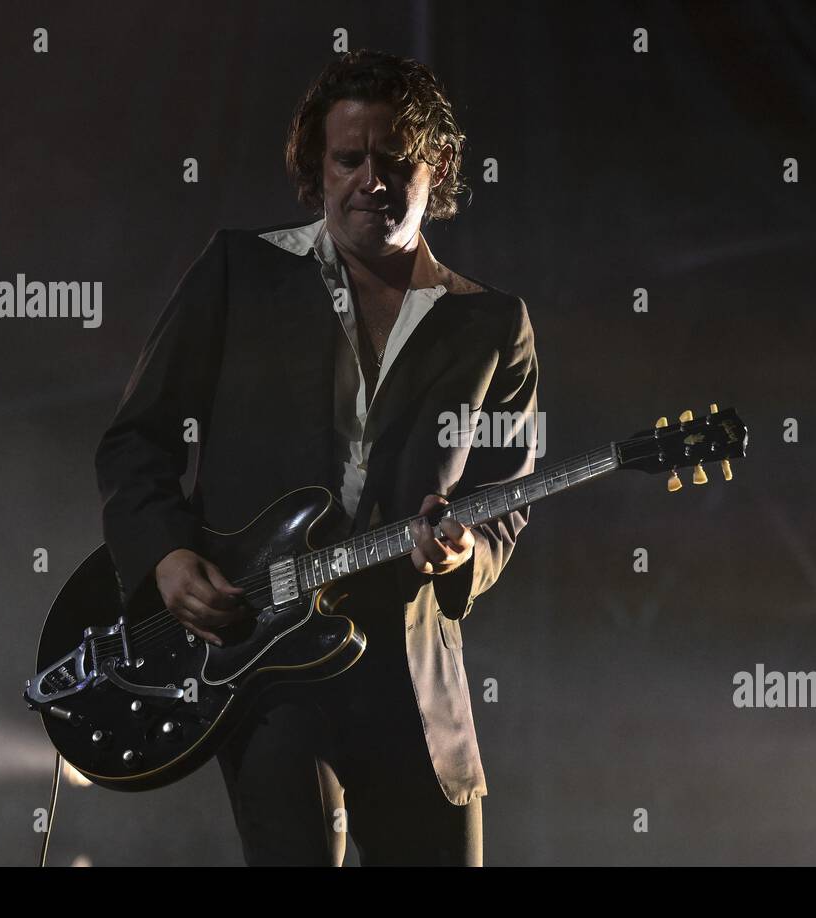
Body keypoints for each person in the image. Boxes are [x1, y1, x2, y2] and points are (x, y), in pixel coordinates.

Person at [94, 49, 539, 865]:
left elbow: (506, 500)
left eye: (396, 159)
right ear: (317, 168)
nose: (373, 179)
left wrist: (465, 552)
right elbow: (137, 439)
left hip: (412, 672)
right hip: (268, 663)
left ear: (434, 168)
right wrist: (165, 554)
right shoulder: (241, 272)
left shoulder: (494, 325)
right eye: (349, 158)